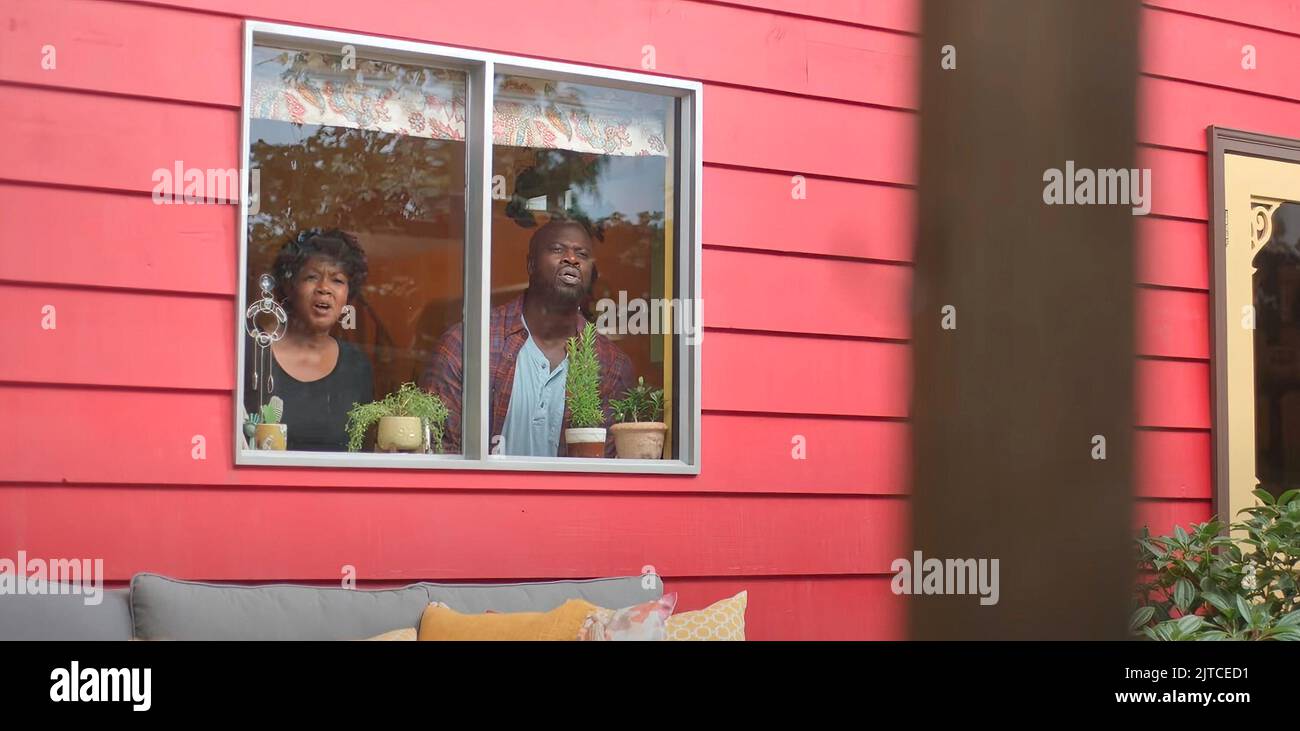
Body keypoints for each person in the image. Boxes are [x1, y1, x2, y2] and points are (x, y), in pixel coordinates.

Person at [421, 216, 633, 456]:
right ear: (531, 264)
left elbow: (611, 467)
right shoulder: (470, 343)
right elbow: (439, 447)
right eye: (557, 249)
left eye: (582, 254)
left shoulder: (611, 364)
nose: (571, 259)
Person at [245, 228, 373, 451]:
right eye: (311, 277)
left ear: (348, 295)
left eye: (337, 280)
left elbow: (363, 451)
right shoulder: (252, 352)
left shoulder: (357, 366)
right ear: (289, 286)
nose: (324, 289)